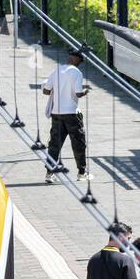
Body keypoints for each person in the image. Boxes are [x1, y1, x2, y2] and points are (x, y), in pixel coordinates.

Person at [42, 47, 90, 182]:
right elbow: (78, 93)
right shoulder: (77, 73)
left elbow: (46, 91)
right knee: (78, 143)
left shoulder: (57, 70)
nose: (80, 63)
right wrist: (86, 91)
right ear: (76, 59)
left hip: (56, 113)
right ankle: (82, 173)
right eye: (80, 61)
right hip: (72, 114)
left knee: (54, 144)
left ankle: (49, 174)